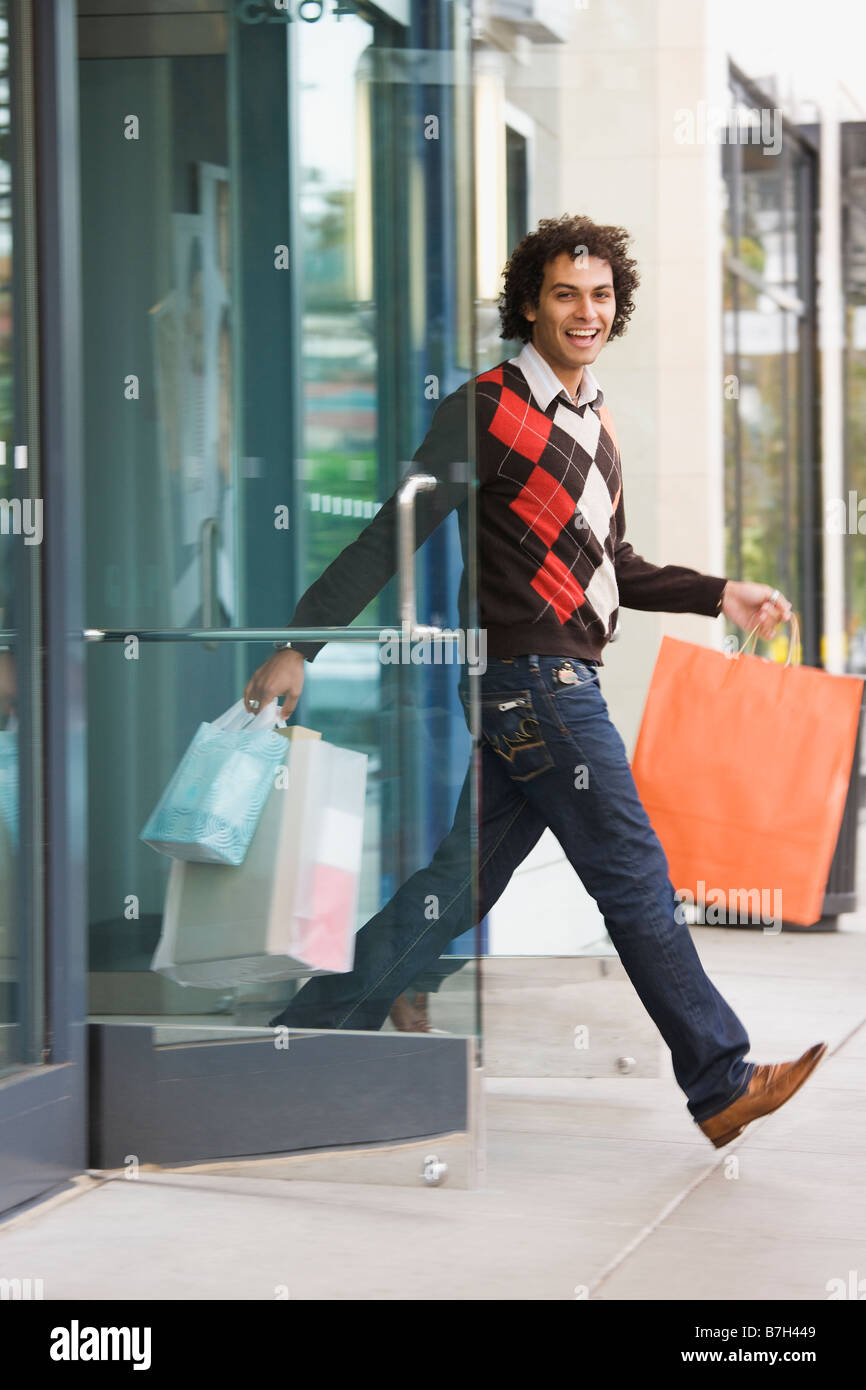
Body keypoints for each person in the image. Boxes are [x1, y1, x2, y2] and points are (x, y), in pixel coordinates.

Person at [244, 214, 826, 1147]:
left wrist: (723, 593)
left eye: (599, 295)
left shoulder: (595, 423)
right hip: (533, 681)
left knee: (458, 884)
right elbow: (388, 537)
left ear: (615, 307)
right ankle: (719, 1080)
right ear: (531, 303)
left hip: (554, 680)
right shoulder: (483, 410)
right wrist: (297, 647)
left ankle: (295, 1041)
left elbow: (613, 564)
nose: (585, 311)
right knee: (634, 874)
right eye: (565, 294)